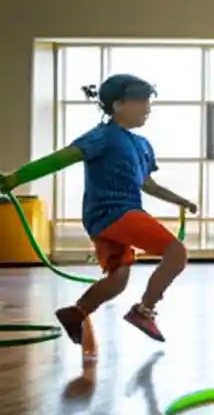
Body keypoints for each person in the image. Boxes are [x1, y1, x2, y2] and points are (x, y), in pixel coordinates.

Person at [0, 75, 197, 345]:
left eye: (148, 103)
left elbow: (147, 184)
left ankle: (77, 313)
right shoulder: (101, 137)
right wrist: (13, 180)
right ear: (117, 105)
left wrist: (180, 200)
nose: (147, 108)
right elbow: (58, 160)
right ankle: (144, 311)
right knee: (176, 252)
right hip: (113, 213)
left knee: (118, 278)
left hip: (113, 217)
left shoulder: (142, 145)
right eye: (140, 102)